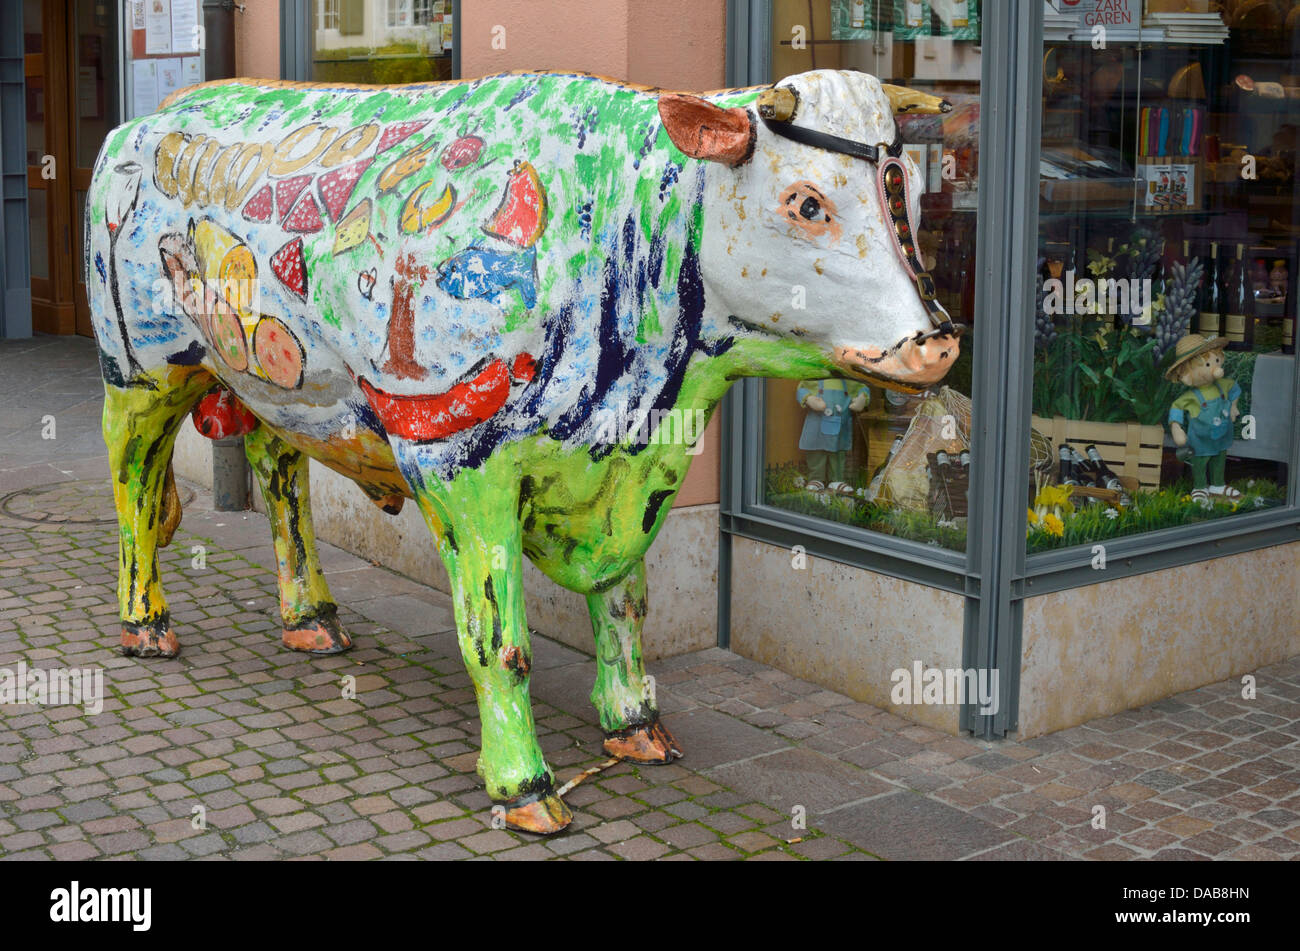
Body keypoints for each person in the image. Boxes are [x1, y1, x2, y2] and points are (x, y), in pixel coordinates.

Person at [796, 378, 868, 489]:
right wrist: (809, 399)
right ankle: (816, 478)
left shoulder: (848, 382)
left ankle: (837, 479)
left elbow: (862, 388)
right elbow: (802, 389)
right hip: (817, 425)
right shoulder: (814, 378)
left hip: (839, 425)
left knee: (838, 453)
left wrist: (862, 398)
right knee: (816, 451)